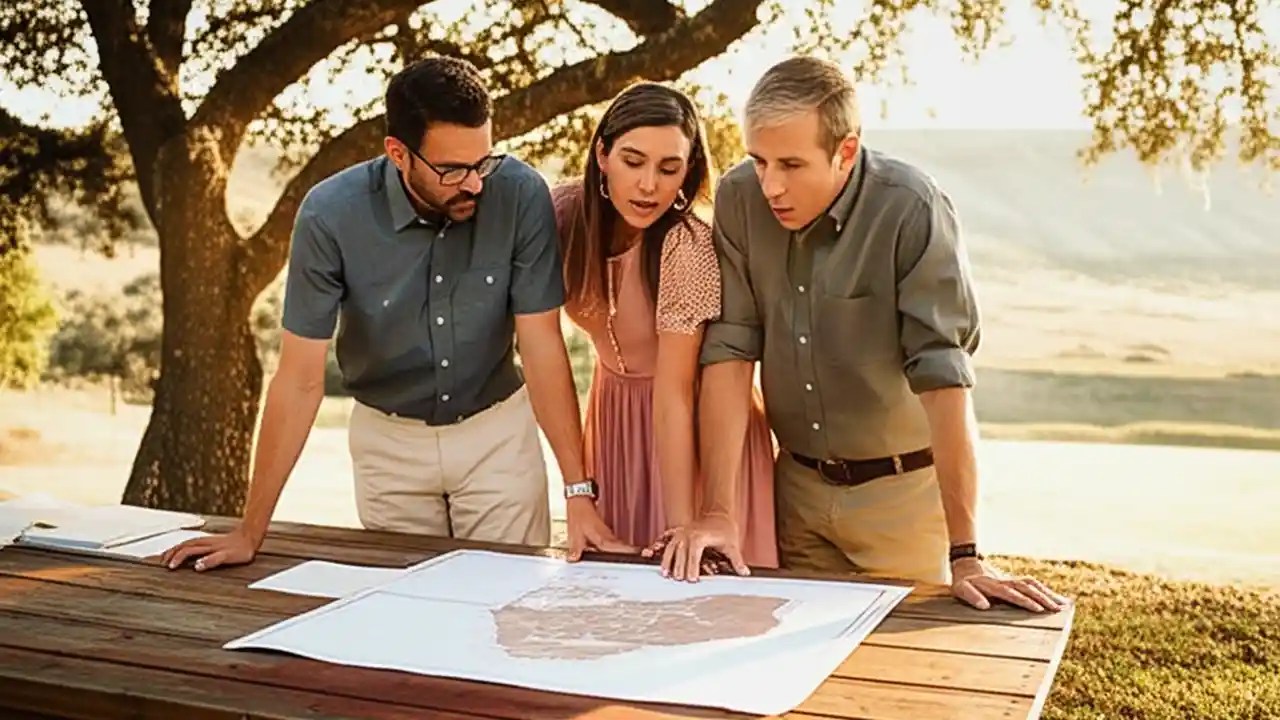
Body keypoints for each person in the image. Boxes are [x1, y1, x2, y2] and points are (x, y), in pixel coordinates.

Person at [161, 55, 630, 572]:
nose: (474, 183)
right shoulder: (330, 216)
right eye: (452, 169)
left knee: (510, 605)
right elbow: (298, 380)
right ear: (398, 153)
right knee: (409, 614)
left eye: (482, 162)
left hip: (497, 439)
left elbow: (541, 345)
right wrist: (250, 531)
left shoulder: (518, 193)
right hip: (389, 445)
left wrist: (578, 492)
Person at [664, 56, 1069, 612]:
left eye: (791, 164)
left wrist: (967, 552)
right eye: (759, 161)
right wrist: (719, 512)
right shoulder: (739, 198)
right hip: (796, 493)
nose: (771, 186)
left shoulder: (910, 209)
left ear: (846, 151)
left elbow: (944, 379)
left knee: (909, 680)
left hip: (900, 502)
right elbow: (732, 352)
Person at [550, 82, 779, 576]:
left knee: (696, 594)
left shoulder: (686, 245)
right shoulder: (562, 217)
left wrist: (684, 529)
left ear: (688, 172)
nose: (649, 185)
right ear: (602, 154)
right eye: (633, 162)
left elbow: (675, 392)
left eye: (669, 168)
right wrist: (578, 491)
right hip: (613, 426)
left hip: (693, 433)